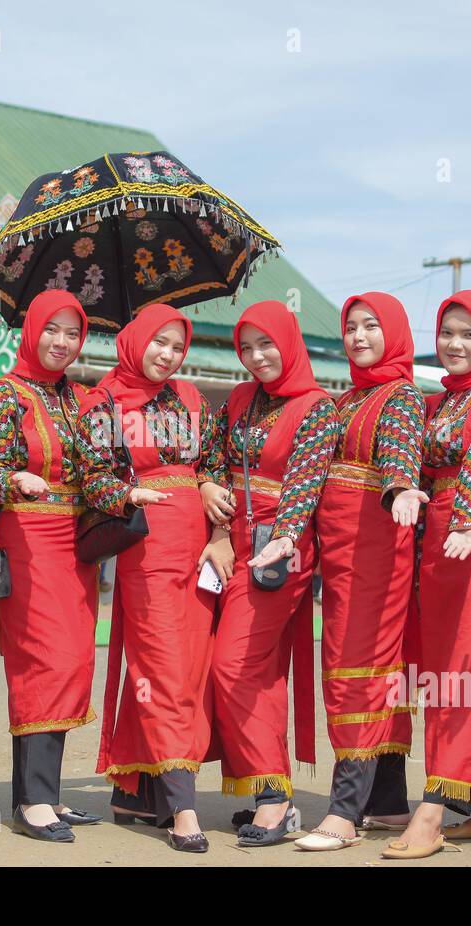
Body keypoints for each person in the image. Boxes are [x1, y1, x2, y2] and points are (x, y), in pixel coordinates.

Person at [73, 303, 227, 853]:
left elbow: (216, 461)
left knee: (189, 669)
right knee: (161, 666)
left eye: (177, 345)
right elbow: (89, 473)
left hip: (197, 550)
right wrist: (125, 492)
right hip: (146, 549)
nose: (167, 354)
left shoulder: (193, 399)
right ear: (136, 341)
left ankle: (137, 793)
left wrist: (209, 490)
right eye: (158, 342)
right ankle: (184, 806)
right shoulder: (104, 400)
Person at [382, 290, 471, 860]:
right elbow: (406, 458)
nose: (455, 344)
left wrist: (468, 522)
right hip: (442, 543)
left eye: (469, 334)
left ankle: (435, 807)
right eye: (447, 333)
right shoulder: (436, 402)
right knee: (446, 671)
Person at [207, 300, 339, 847]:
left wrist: (284, 537)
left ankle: (277, 800)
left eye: (267, 344)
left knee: (232, 663)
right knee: (256, 674)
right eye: (246, 347)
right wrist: (206, 489)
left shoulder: (317, 407)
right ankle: (269, 792)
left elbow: (305, 483)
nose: (257, 357)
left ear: (289, 342)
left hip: (278, 555)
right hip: (232, 545)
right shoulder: (238, 399)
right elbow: (214, 458)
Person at [297, 292, 425, 852]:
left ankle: (345, 813)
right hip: (344, 554)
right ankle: (389, 802)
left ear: (393, 332)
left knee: (357, 665)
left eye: (371, 326)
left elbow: (400, 451)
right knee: (378, 666)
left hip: (375, 551)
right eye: (351, 328)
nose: (358, 336)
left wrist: (400, 487)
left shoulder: (399, 397)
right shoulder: (347, 398)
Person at [0, 289, 102, 843]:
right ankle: (31, 799)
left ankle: (47, 790)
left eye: (73, 334)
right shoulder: (6, 394)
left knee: (72, 660)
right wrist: (16, 479)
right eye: (53, 330)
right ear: (32, 332)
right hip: (27, 536)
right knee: (41, 660)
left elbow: (100, 464)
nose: (62, 342)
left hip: (77, 544)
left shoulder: (80, 398)